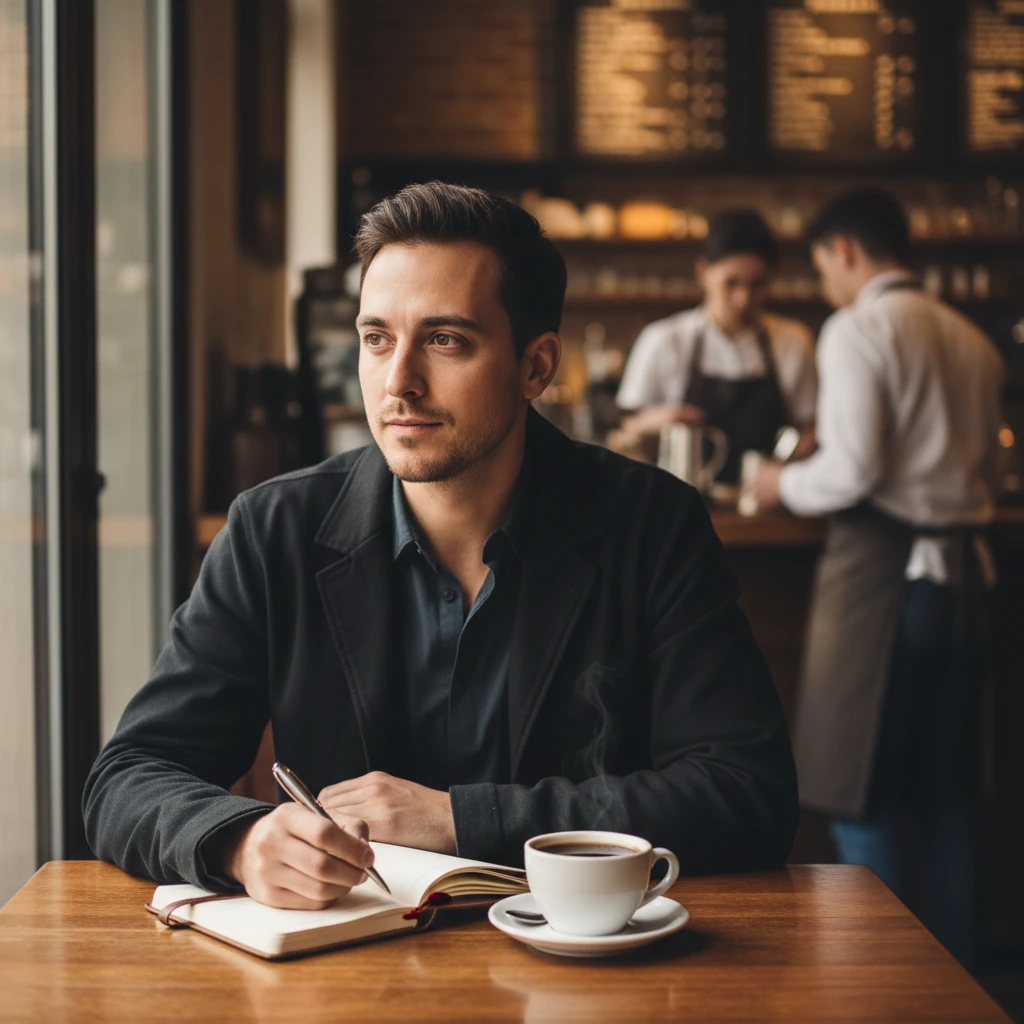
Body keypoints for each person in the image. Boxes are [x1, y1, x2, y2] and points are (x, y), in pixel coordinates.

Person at [84, 182, 798, 910]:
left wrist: (461, 819)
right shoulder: (273, 530)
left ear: (536, 367)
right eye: (376, 339)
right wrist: (237, 839)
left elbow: (746, 792)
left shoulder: (653, 524)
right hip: (344, 975)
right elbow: (129, 775)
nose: (399, 382)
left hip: (583, 972)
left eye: (445, 340)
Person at [750, 189, 1004, 967]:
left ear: (845, 251)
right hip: (967, 581)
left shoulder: (859, 328)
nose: (825, 280)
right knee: (947, 804)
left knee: (857, 798)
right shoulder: (973, 338)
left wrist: (776, 486)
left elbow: (853, 471)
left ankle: (893, 991)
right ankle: (962, 991)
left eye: (822, 263)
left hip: (887, 584)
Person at [614, 208, 817, 482]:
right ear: (703, 273)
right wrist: (651, 422)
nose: (743, 299)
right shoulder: (663, 340)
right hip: (681, 503)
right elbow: (621, 435)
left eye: (757, 285)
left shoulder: (794, 341)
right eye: (731, 283)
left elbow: (810, 430)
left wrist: (786, 471)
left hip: (766, 510)